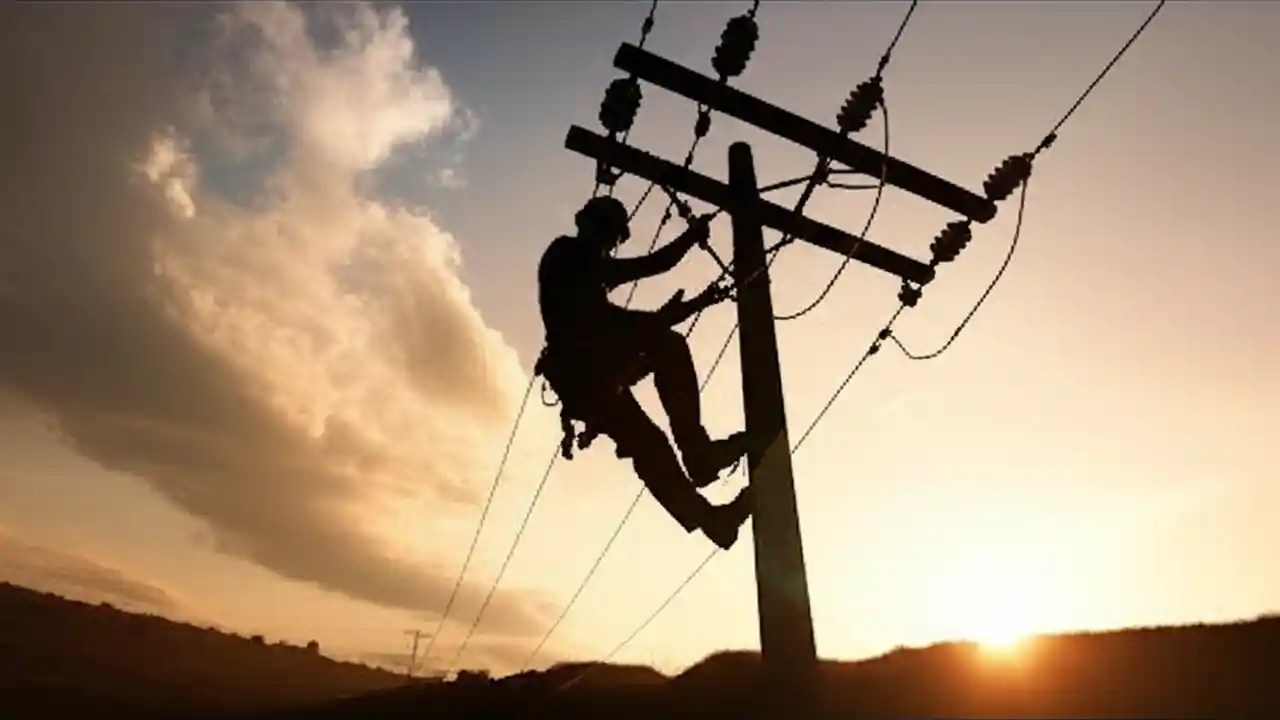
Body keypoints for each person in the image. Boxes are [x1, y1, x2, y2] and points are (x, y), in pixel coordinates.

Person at [536, 196, 753, 549]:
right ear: (587, 224)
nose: (608, 245)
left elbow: (621, 325)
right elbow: (651, 271)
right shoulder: (568, 256)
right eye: (607, 234)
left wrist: (690, 307)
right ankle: (699, 457)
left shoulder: (583, 281)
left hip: (590, 379)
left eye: (613, 239)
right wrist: (691, 236)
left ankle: (711, 517)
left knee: (649, 443)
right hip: (585, 377)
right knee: (668, 350)